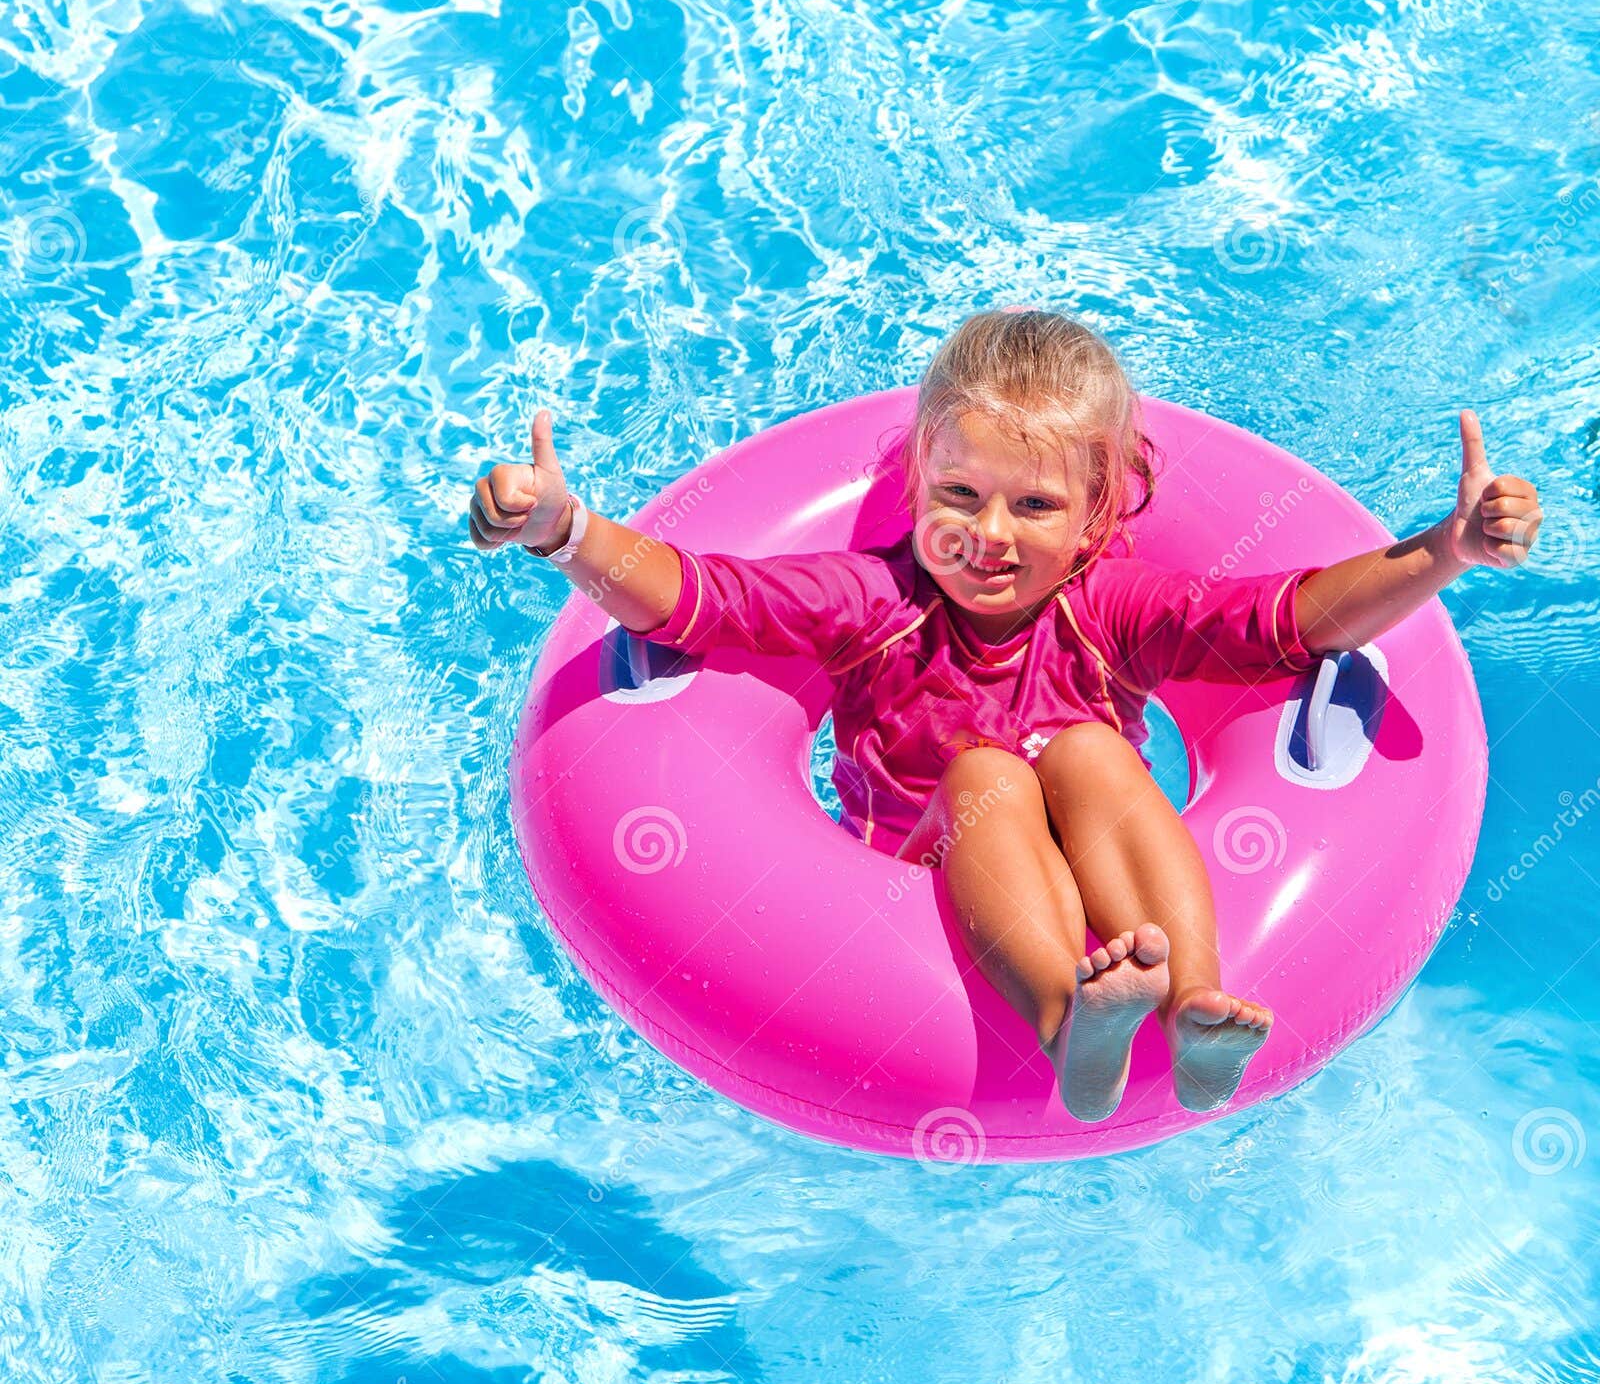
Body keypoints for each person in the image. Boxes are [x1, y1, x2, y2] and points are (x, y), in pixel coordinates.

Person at [468, 310, 1542, 1122]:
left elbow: (1291, 616)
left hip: (1095, 869)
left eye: (1032, 505)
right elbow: (699, 592)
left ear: (1095, 518)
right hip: (925, 864)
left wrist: (1448, 549)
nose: (989, 534)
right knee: (987, 774)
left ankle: (1195, 1004)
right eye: (958, 496)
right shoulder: (870, 602)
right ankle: (1066, 1021)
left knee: (1085, 751)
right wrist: (567, 531)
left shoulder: (1115, 606)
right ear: (919, 481)